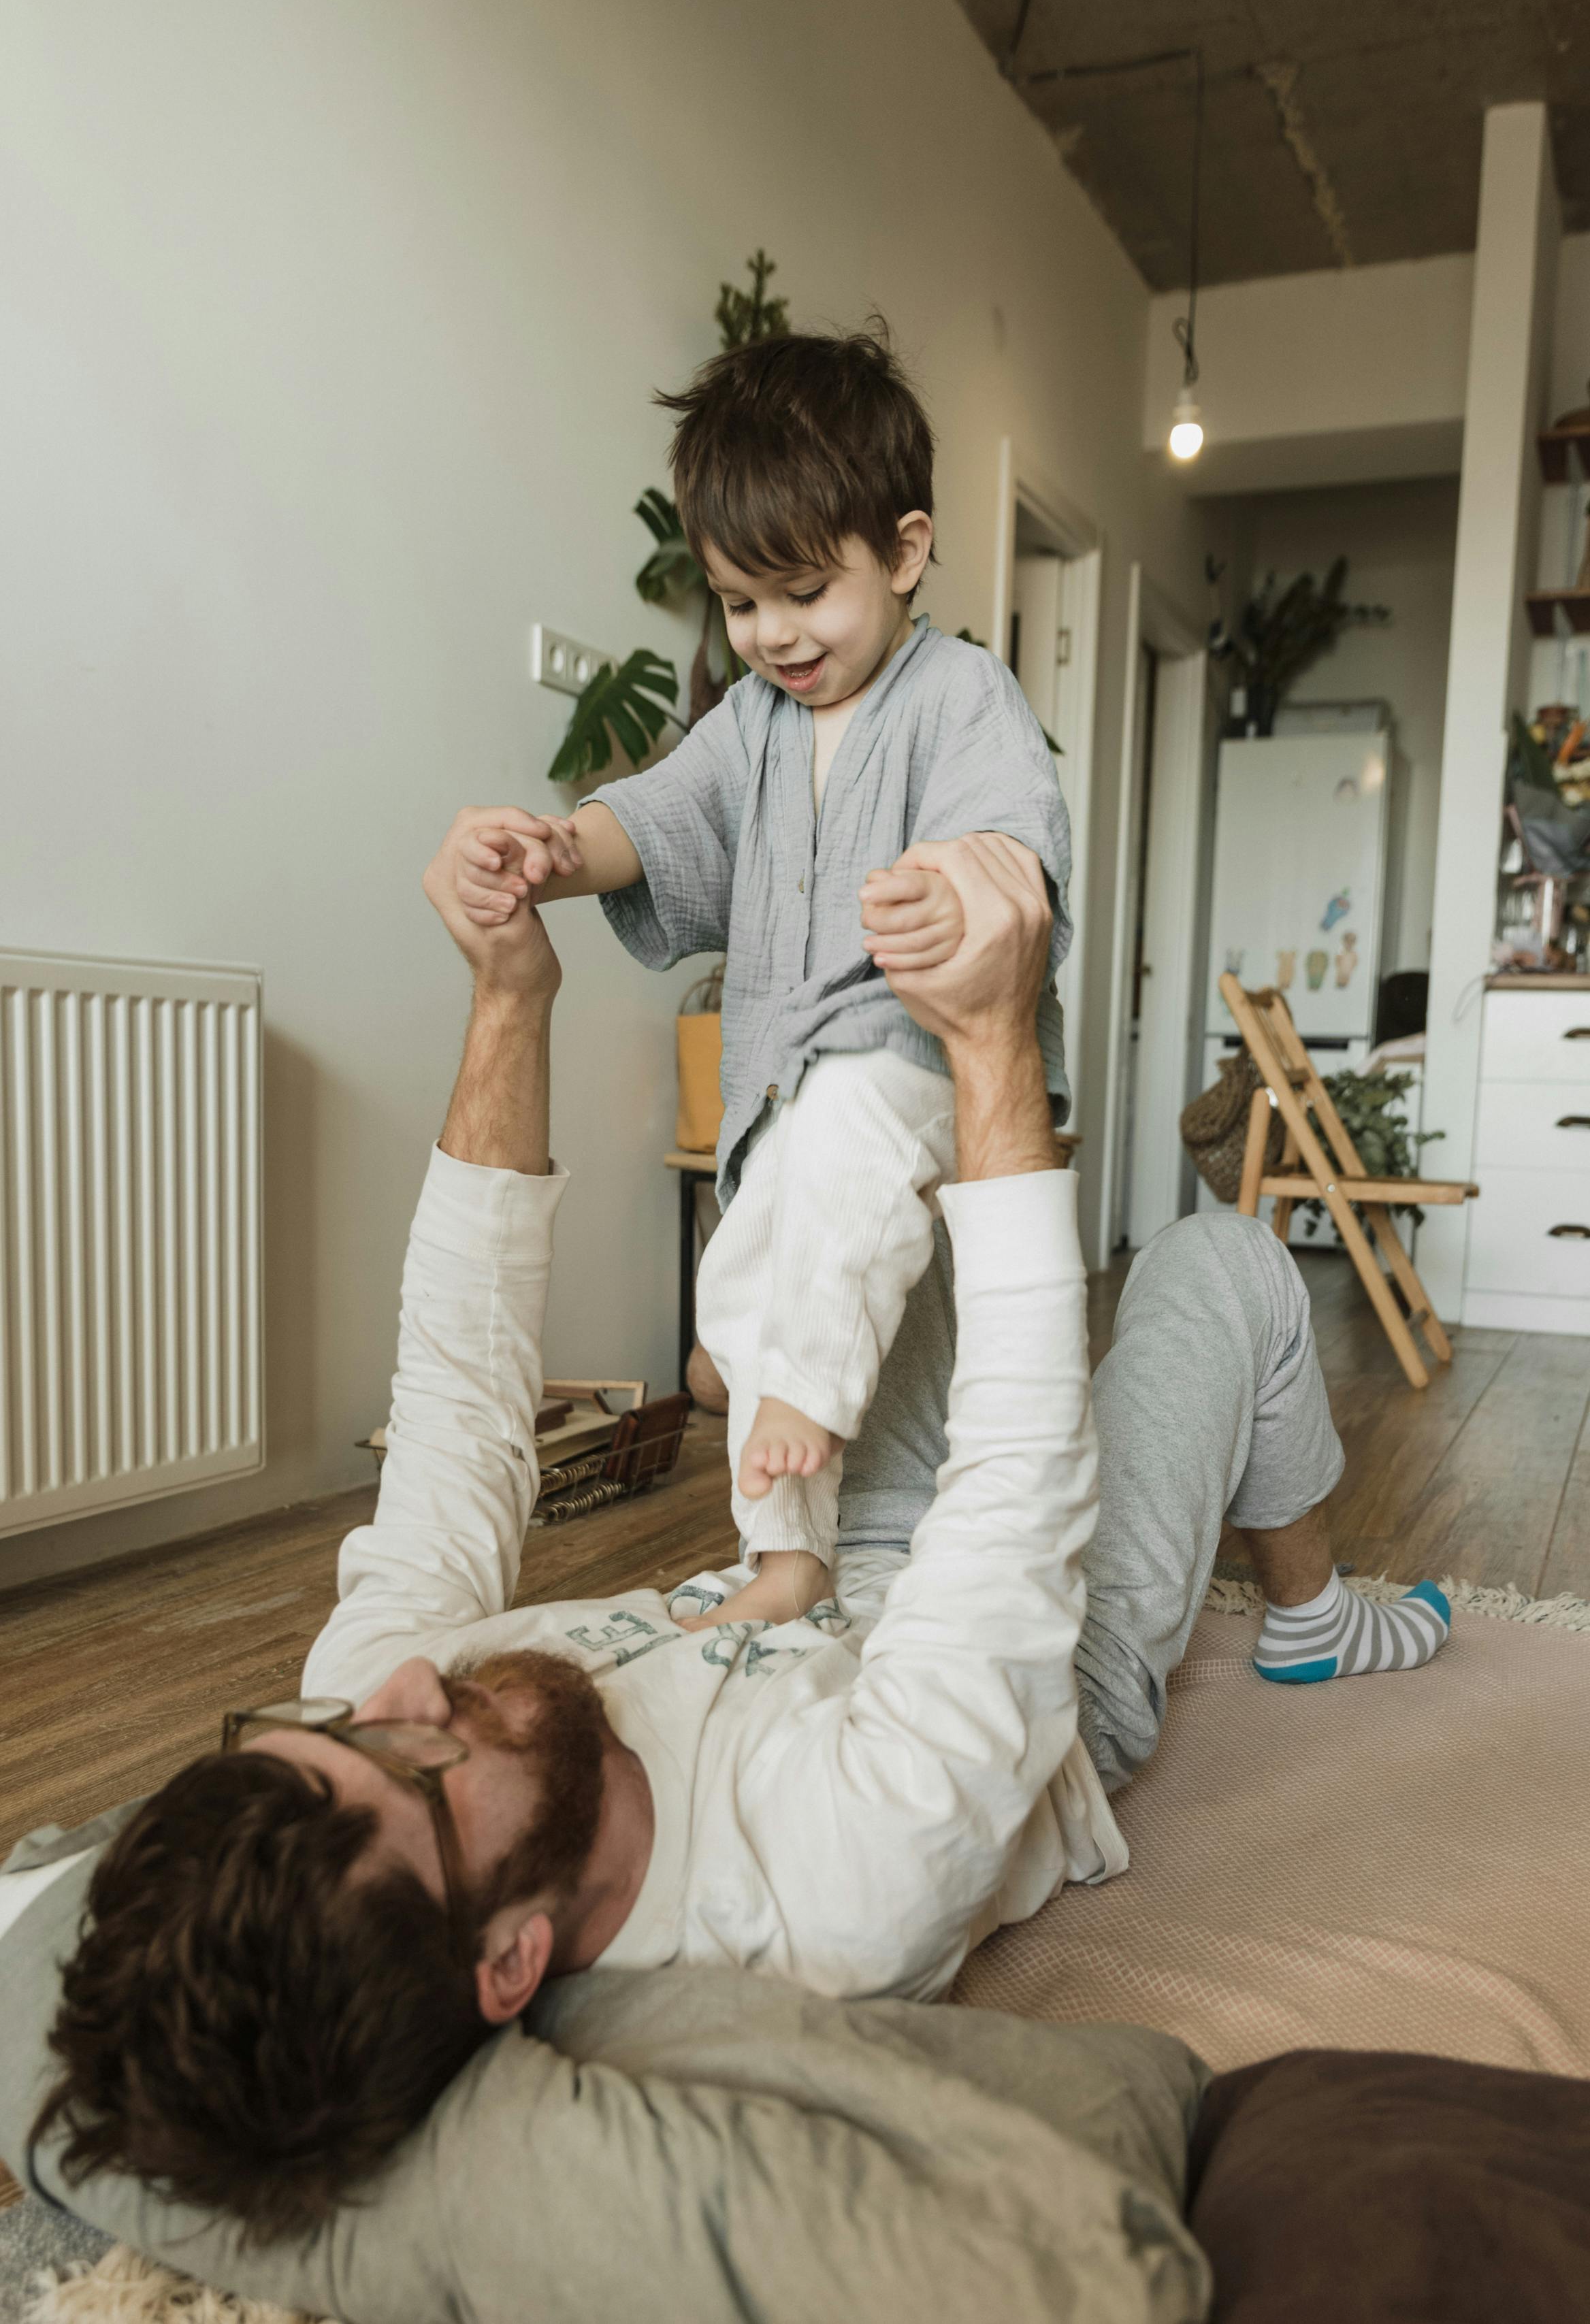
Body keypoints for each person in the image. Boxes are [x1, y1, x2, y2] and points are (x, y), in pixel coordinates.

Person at [20, 819, 1450, 2245]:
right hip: (1052, 1671)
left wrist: (511, 990)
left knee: (867, 1198)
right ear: (515, 1959)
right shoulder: (832, 1886)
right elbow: (1014, 1498)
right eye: (407, 1758)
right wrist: (999, 1042)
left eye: (325, 1722)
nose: (398, 1688)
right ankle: (1316, 1616)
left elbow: (458, 1402)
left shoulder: (396, 1722)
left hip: (815, 1546)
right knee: (1221, 1260)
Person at [454, 325, 1073, 1628]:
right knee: (742, 1271)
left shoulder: (963, 696)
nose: (774, 635)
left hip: (900, 1059)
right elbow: (663, 816)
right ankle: (786, 1560)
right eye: (741, 604)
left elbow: (1010, 840)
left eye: (805, 594)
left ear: (904, 554)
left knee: (843, 1162)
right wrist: (562, 848)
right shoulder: (752, 722)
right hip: (776, 1092)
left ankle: (802, 1387)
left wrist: (952, 888)